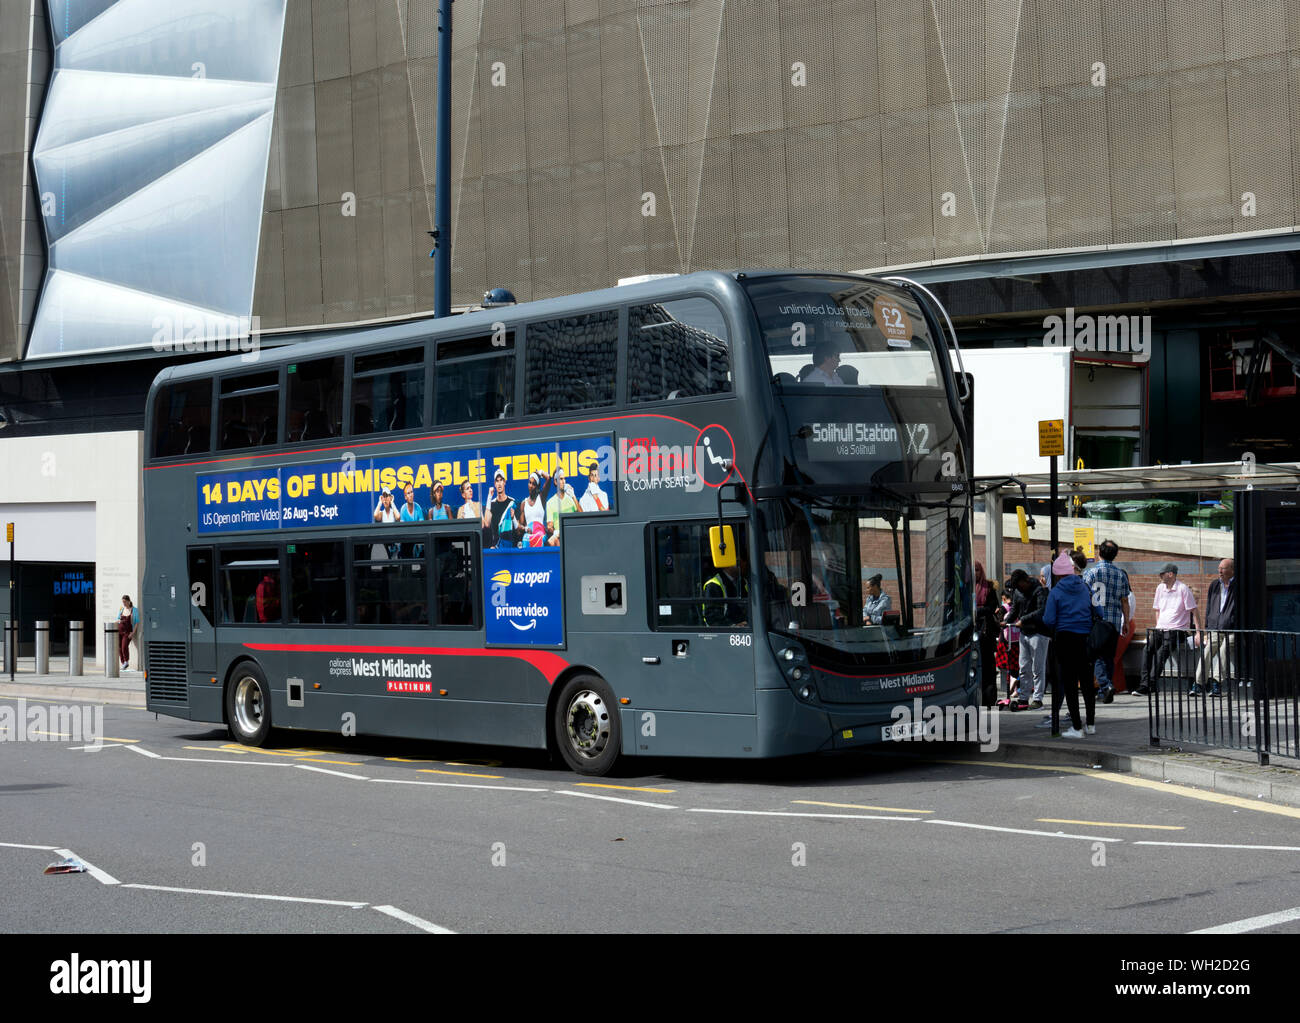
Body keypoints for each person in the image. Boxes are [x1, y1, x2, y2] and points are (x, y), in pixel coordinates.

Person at [1042, 551, 1095, 737]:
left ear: (1057, 573)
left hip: (1065, 638)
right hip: (1085, 638)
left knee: (1070, 683)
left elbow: (1048, 619)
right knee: (1087, 681)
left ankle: (1077, 727)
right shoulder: (1084, 587)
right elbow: (1099, 611)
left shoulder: (1056, 592)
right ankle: (1091, 724)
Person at [1136, 563, 1197, 696]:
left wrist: (1198, 632)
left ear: (1170, 574)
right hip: (1161, 629)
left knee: (1160, 653)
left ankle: (1150, 685)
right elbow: (1157, 609)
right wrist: (1158, 625)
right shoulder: (1160, 588)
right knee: (1147, 649)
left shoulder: (1183, 589)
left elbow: (1194, 610)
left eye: (1162, 573)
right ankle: (1144, 683)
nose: (1160, 576)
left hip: (1177, 630)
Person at [1082, 538, 1130, 704]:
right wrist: (1126, 622)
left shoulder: (1091, 573)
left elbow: (1083, 595)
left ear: (1099, 553)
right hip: (1114, 620)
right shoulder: (1120, 574)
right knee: (1109, 656)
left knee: (1096, 655)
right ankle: (1105, 690)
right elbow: (1125, 600)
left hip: (1096, 620)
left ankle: (1105, 685)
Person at [1194, 558, 1236, 696]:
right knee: (1207, 651)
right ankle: (1199, 683)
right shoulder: (1214, 585)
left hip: (1232, 629)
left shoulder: (1238, 585)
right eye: (1219, 568)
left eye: (1223, 568)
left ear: (1232, 570)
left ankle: (1216, 683)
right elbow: (1209, 607)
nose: (1220, 571)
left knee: (1224, 650)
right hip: (1215, 627)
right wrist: (1207, 627)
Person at [1009, 568, 1049, 710]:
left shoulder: (1039, 590)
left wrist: (1023, 620)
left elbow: (1041, 611)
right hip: (1024, 633)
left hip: (1038, 633)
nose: (1019, 588)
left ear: (1025, 580)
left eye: (1020, 585)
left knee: (1037, 667)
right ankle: (1023, 697)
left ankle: (1037, 699)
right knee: (1024, 667)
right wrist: (1005, 621)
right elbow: (1014, 610)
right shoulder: (1018, 591)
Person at [702, 547, 750, 627]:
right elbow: (712, 618)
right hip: (724, 633)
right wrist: (733, 626)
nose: (745, 564)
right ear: (732, 563)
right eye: (742, 560)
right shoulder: (713, 585)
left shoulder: (743, 582)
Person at [974, 561, 999, 707]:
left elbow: (992, 607)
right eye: (973, 570)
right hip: (970, 632)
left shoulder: (989, 587)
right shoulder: (965, 586)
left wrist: (976, 612)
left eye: (977, 570)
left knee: (988, 666)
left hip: (986, 633)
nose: (975, 573)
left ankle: (988, 698)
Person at [482, 468, 520, 548]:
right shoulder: (491, 504)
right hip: (496, 547)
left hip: (510, 547)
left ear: (504, 482)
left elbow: (518, 531)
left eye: (501, 480)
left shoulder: (512, 502)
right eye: (497, 481)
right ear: (495, 484)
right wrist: (489, 497)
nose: (499, 483)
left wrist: (513, 518)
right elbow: (487, 524)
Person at [544, 467, 580, 545]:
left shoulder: (571, 498)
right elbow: (549, 526)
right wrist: (556, 532)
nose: (563, 481)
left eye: (564, 479)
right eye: (561, 479)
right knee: (552, 541)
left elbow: (582, 515)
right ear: (555, 482)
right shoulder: (550, 503)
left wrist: (574, 497)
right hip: (559, 537)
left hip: (573, 534)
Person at [519, 471, 551, 546]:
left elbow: (548, 479)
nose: (530, 486)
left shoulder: (541, 498)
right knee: (525, 538)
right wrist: (525, 528)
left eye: (533, 484)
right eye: (529, 482)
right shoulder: (524, 503)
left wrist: (540, 472)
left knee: (540, 537)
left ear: (537, 487)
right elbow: (520, 526)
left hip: (540, 533)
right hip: (529, 535)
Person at [118, 595, 140, 672]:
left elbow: (137, 622)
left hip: (127, 632)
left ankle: (126, 661)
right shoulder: (121, 609)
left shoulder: (134, 610)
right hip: (119, 631)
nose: (123, 603)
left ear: (128, 601)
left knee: (124, 647)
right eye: (122, 602)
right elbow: (118, 619)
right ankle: (123, 663)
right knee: (119, 647)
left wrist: (133, 633)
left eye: (124, 601)